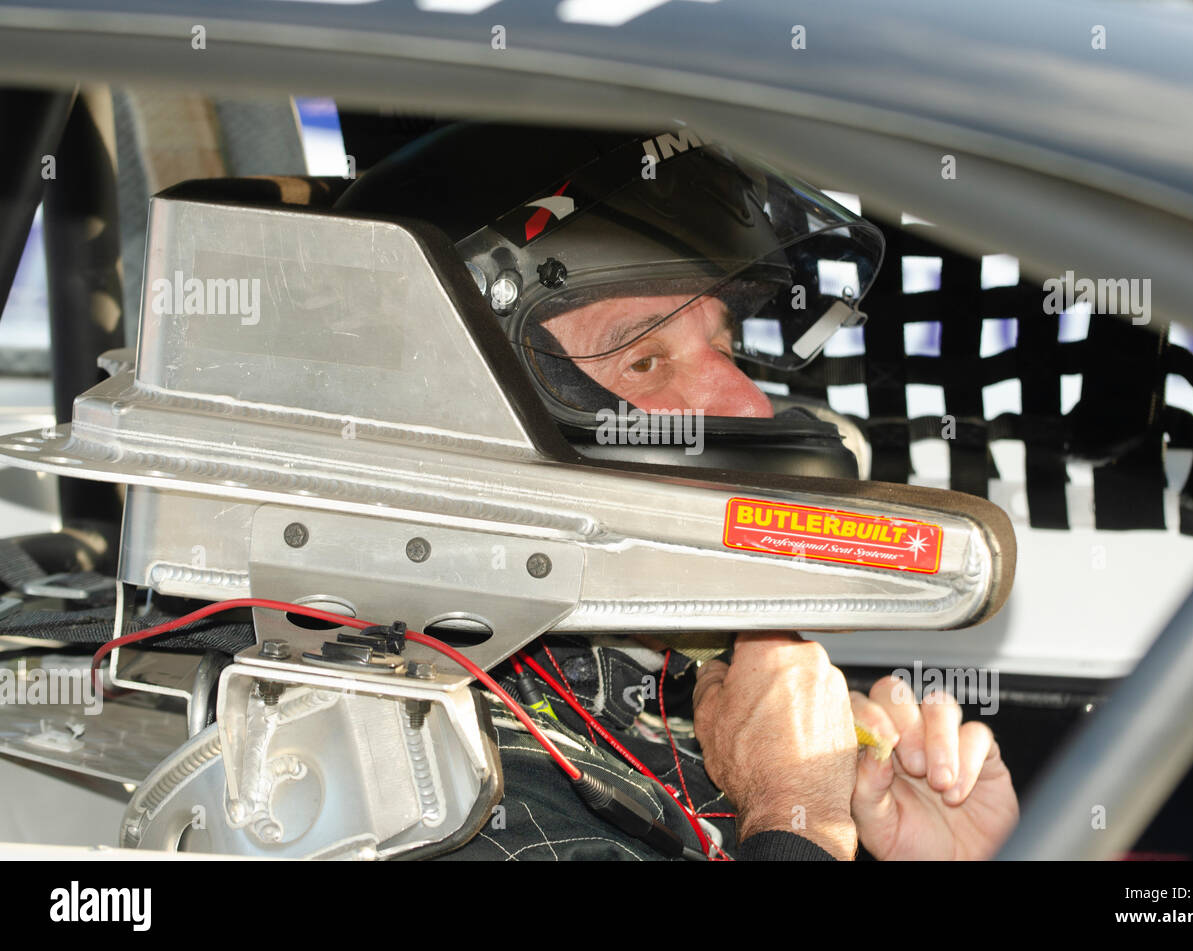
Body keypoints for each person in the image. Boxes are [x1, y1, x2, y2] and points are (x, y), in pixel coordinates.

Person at [336, 122, 1019, 859]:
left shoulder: (660, 675)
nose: (752, 404)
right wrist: (796, 817)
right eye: (645, 361)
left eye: (721, 344)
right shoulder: (425, 785)